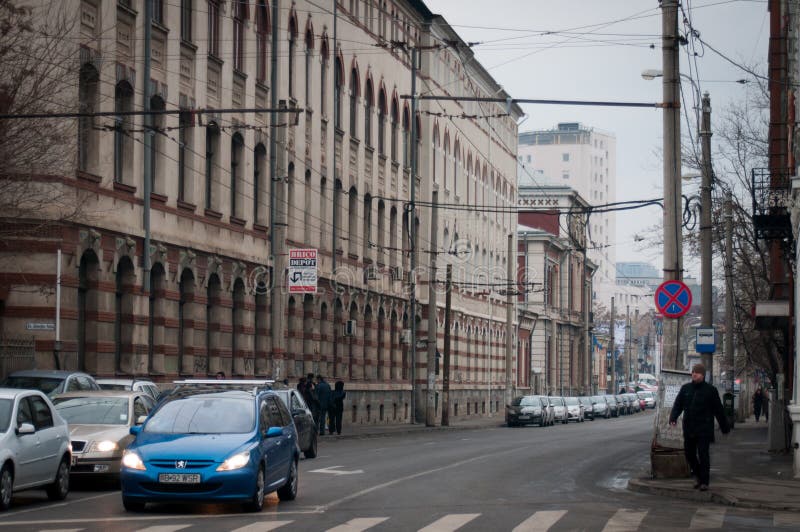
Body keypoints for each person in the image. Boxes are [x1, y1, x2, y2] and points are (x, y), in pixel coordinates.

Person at [669, 363, 730, 491]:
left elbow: (718, 410)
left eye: (697, 372)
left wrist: (724, 427)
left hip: (704, 429)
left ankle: (704, 482)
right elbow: (678, 404)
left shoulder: (710, 390)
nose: (694, 374)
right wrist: (673, 418)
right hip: (689, 428)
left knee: (703, 455)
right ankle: (698, 475)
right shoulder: (686, 388)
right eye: (693, 372)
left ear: (702, 375)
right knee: (689, 454)